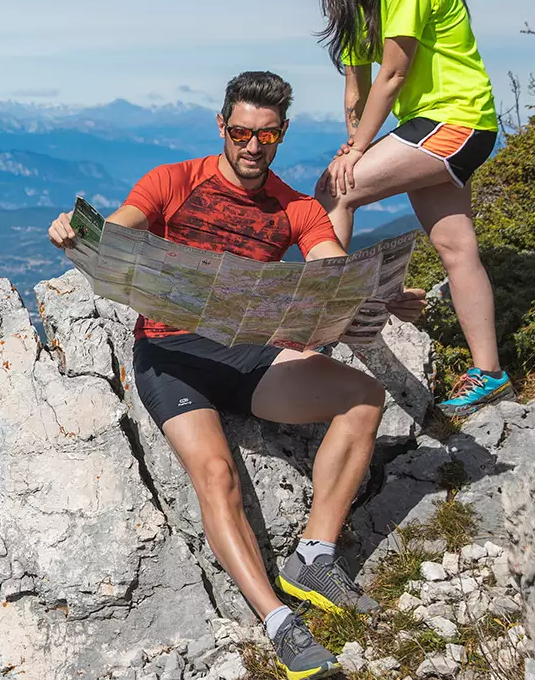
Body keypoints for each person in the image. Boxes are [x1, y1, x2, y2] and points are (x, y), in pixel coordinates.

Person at [48, 72, 424, 680]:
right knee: (217, 475)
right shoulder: (173, 180)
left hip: (249, 357)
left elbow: (332, 273)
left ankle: (314, 555)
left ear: (281, 136)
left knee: (362, 396)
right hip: (172, 359)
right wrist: (74, 233)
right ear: (223, 126)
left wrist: (384, 296)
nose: (253, 145)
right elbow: (117, 233)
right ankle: (278, 621)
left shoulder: (295, 207)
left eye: (267, 134)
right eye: (243, 132)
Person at [313, 0, 511, 415]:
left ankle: (323, 325)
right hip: (433, 125)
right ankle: (489, 373)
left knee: (336, 191)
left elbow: (394, 73)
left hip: (455, 120)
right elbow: (357, 86)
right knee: (455, 246)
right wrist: (353, 138)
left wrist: (355, 154)